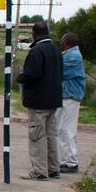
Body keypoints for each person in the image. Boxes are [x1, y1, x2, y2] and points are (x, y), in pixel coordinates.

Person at [15, 20, 62, 180]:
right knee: (51, 135)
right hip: (53, 99)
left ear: (34, 34)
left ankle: (39, 171)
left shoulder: (37, 51)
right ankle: (53, 168)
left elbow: (32, 74)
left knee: (37, 136)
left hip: (38, 100)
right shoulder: (55, 49)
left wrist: (19, 77)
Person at [57, 32, 85, 173]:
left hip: (70, 96)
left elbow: (60, 71)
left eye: (62, 41)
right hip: (67, 96)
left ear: (67, 42)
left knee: (66, 129)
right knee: (63, 129)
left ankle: (71, 162)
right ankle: (65, 160)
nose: (60, 43)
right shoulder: (70, 55)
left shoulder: (72, 57)